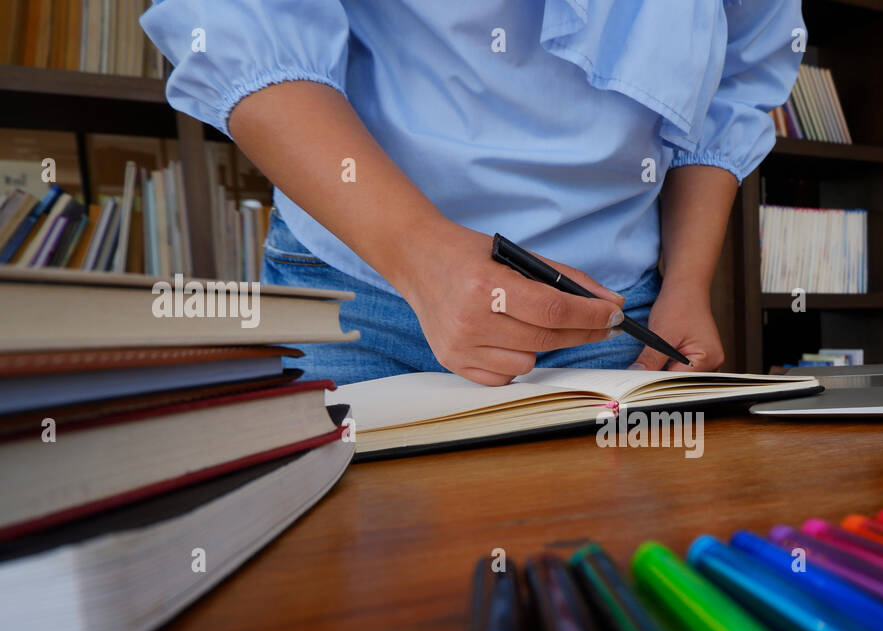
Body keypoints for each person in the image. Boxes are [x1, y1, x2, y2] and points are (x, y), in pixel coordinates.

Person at [141, 0, 804, 385]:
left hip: (608, 319)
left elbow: (735, 82)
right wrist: (418, 253)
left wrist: (688, 283)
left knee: (593, 583)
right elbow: (237, 22)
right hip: (353, 293)